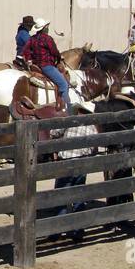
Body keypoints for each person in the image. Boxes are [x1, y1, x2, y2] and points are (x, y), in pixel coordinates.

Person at [46, 107, 98, 237]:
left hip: (66, 163)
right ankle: (77, 230)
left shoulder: (70, 120)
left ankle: (57, 231)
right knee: (79, 196)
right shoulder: (92, 127)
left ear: (80, 111)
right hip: (82, 165)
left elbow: (54, 132)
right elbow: (95, 147)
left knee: (61, 195)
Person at [23, 18, 70, 108]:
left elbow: (26, 51)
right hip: (47, 66)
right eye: (47, 26)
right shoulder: (47, 39)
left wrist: (29, 60)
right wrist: (59, 58)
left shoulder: (32, 39)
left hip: (36, 66)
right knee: (63, 84)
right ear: (44, 28)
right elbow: (54, 51)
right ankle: (66, 107)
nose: (48, 28)